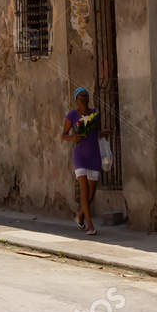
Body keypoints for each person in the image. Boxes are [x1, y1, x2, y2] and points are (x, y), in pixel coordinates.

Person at [61, 87, 101, 235]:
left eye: (86, 96)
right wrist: (73, 137)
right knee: (84, 192)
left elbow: (96, 131)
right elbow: (63, 135)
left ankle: (80, 215)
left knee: (91, 194)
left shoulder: (95, 114)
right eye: (81, 96)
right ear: (76, 99)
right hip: (80, 156)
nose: (84, 98)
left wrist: (104, 132)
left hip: (94, 154)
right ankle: (90, 226)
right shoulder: (71, 115)